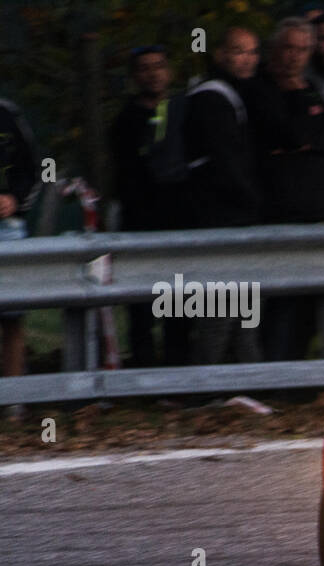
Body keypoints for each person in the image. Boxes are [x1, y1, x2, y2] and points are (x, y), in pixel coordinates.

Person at [256, 18, 324, 361]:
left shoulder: (310, 88)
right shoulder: (261, 89)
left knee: (311, 304)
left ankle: (305, 374)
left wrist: (309, 142)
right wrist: (306, 136)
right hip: (280, 215)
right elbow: (294, 135)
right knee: (280, 302)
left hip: (320, 214)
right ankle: (276, 373)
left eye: (303, 49)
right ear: (274, 50)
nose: (296, 56)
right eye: (290, 48)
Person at [184, 26, 263, 364]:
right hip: (221, 220)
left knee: (240, 309)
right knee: (219, 311)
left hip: (229, 219)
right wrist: (256, 204)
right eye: (238, 51)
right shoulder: (213, 98)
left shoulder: (229, 94)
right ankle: (209, 387)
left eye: (252, 51)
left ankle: (240, 383)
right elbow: (227, 164)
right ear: (220, 54)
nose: (246, 59)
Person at [111, 45, 193, 367]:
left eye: (159, 66)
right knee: (142, 305)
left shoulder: (184, 112)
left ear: (169, 71)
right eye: (145, 68)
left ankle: (177, 371)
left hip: (180, 223)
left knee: (179, 304)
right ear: (134, 76)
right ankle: (143, 372)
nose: (153, 73)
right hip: (140, 224)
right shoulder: (126, 122)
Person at [0, 94, 38, 391]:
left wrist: (14, 199)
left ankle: (13, 400)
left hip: (8, 230)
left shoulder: (9, 114)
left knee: (12, 317)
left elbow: (35, 169)